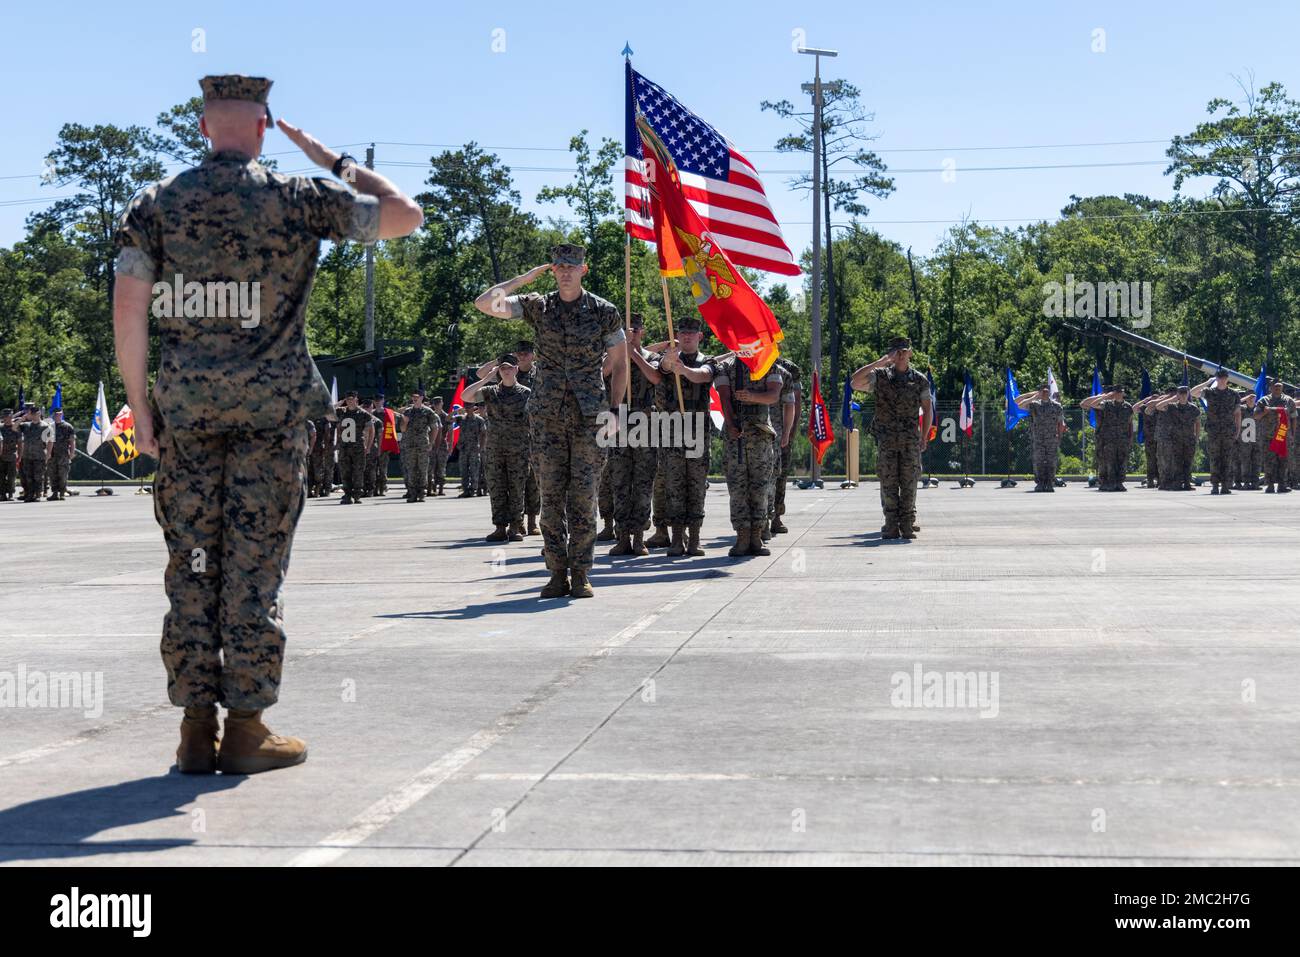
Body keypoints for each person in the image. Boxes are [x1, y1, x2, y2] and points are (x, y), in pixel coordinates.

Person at [111, 73, 423, 774]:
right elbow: (406, 214)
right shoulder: (295, 198)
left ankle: (196, 726)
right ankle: (247, 726)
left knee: (193, 564)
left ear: (201, 128)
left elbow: (128, 310)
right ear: (262, 129)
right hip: (269, 417)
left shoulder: (157, 203)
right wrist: (334, 162)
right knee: (254, 567)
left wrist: (142, 408)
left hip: (187, 415)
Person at [473, 244, 627, 599]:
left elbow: (620, 364)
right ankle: (557, 572)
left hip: (590, 418)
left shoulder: (604, 311)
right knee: (550, 497)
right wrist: (526, 278)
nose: (566, 272)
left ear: (583, 270)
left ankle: (581, 572)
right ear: (553, 270)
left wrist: (616, 409)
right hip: (546, 418)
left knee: (584, 497)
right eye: (559, 267)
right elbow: (484, 303)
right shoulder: (538, 306)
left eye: (572, 266)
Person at [850, 337, 931, 540]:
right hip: (887, 440)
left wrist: (924, 435)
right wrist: (879, 363)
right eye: (896, 352)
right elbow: (855, 382)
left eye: (904, 351)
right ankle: (890, 523)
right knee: (888, 482)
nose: (901, 355)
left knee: (910, 482)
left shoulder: (919, 379)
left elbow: (928, 409)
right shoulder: (880, 376)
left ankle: (907, 523)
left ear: (910, 353)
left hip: (910, 440)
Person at [655, 317, 718, 557]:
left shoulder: (707, 361)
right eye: (683, 333)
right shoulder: (669, 361)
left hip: (697, 431)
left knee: (696, 486)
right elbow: (658, 372)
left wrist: (684, 370)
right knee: (674, 485)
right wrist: (671, 363)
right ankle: (676, 538)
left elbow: (703, 376)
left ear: (699, 337)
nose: (687, 337)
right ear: (677, 336)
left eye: (692, 333)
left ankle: (695, 538)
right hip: (672, 431)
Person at [715, 352, 781, 556]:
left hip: (760, 434)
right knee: (737, 488)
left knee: (760, 487)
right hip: (735, 435)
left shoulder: (767, 363)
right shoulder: (725, 366)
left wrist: (752, 396)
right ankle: (742, 536)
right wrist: (732, 422)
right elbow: (724, 396)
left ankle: (756, 536)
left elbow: (773, 394)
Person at [608, 315, 661, 556]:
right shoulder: (613, 355)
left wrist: (634, 355)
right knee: (619, 482)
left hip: (645, 424)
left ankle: (639, 536)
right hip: (618, 422)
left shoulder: (652, 358)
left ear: (642, 331)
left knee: (642, 482)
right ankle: (622, 537)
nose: (632, 333)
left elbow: (656, 378)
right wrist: (621, 353)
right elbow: (603, 372)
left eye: (635, 329)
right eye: (626, 330)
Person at [465, 353, 532, 541]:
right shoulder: (490, 391)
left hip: (519, 449)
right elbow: (466, 396)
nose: (506, 371)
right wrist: (487, 378)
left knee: (517, 488)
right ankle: (500, 527)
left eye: (510, 367)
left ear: (516, 369)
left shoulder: (526, 393)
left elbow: (535, 422)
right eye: (503, 368)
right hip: (495, 448)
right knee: (496, 488)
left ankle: (515, 527)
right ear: (499, 371)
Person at [1191, 370, 1241, 494]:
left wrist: (1238, 430)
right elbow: (1192, 393)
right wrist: (1207, 382)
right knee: (1214, 459)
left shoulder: (1234, 394)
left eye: (1224, 377)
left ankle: (1225, 485)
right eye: (1219, 377)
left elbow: (1238, 414)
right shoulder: (1209, 392)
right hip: (1214, 431)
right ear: (1216, 378)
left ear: (1227, 378)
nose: (1222, 379)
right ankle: (1214, 485)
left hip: (1228, 431)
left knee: (1227, 459)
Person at [770, 357, 802, 533]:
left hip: (781, 430)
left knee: (780, 475)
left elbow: (796, 402)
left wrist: (790, 431)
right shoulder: (754, 362)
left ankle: (776, 517)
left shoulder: (789, 368)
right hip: (760, 429)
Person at [1081, 385, 1133, 491]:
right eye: (1117, 393)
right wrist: (1104, 397)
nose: (1119, 395)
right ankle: (1107, 482)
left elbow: (1130, 424)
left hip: (1122, 439)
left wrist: (1130, 438)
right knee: (1108, 461)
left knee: (1121, 461)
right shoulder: (1107, 404)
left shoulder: (1128, 407)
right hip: (1108, 439)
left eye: (1120, 393)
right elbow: (1088, 404)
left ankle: (1119, 482)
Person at [1016, 383, 1065, 491]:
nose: (1045, 393)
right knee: (1039, 461)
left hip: (1052, 439)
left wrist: (1059, 437)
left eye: (1047, 391)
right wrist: (1033, 396)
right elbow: (1018, 404)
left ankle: (1050, 483)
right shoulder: (1034, 404)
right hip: (1038, 439)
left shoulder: (1057, 406)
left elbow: (1061, 423)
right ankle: (1041, 483)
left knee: (1051, 461)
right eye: (1043, 391)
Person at [1254, 378, 1295, 493]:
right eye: (1275, 386)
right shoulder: (1263, 401)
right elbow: (1256, 416)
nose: (1277, 388)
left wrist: (1291, 433)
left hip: (1282, 434)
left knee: (1283, 461)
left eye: (1279, 386)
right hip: (1268, 436)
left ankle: (1282, 485)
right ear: (1270, 387)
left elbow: (1293, 417)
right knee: (1269, 461)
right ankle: (1270, 485)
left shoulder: (1288, 400)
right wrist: (1264, 412)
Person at [336, 391, 376, 504]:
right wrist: (341, 402)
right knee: (345, 471)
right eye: (347, 399)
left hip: (358, 447)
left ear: (356, 400)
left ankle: (357, 494)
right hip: (344, 447)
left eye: (351, 399)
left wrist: (368, 446)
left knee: (358, 471)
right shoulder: (341, 412)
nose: (349, 401)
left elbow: (371, 430)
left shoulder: (363, 414)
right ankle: (347, 494)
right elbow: (328, 411)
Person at [398, 390, 437, 503]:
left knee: (422, 469)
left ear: (421, 398)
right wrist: (404, 422)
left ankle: (421, 493)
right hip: (410, 445)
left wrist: (431, 443)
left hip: (422, 445)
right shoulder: (407, 412)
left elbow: (435, 428)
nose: (414, 398)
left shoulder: (428, 412)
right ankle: (413, 493)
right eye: (413, 396)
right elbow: (403, 429)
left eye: (417, 396)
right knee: (411, 469)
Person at [17, 405, 48, 503]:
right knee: (28, 477)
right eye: (32, 414)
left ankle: (38, 495)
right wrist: (23, 418)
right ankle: (30, 494)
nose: (34, 416)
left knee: (38, 477)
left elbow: (50, 441)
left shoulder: (45, 426)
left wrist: (49, 454)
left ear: (39, 414)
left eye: (35, 414)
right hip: (27, 455)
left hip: (39, 456)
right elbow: (14, 427)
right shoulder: (26, 425)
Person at [45, 408, 76, 500]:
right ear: (53, 415)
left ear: (62, 415)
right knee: (52, 474)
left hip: (63, 455)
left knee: (63, 475)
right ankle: (55, 493)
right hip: (52, 455)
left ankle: (62, 493)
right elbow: (46, 441)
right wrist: (47, 454)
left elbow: (72, 441)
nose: (58, 416)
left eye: (59, 414)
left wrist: (72, 452)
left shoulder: (68, 426)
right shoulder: (50, 427)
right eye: (56, 414)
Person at [457, 403, 486, 497]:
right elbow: (448, 419)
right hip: (463, 449)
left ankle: (473, 489)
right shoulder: (462, 419)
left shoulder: (479, 420)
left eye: (469, 407)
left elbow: (483, 434)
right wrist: (457, 411)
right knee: (463, 470)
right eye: (466, 407)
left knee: (474, 470)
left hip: (474, 448)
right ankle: (465, 490)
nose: (468, 409)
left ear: (473, 408)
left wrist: (481, 447)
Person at [0, 409, 18, 501]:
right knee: (1, 476)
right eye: (5, 416)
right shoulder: (0, 428)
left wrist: (20, 455)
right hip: (1, 456)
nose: (8, 418)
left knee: (12, 476)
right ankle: (2, 494)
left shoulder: (15, 428)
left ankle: (11, 494)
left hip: (12, 455)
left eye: (9, 416)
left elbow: (20, 443)